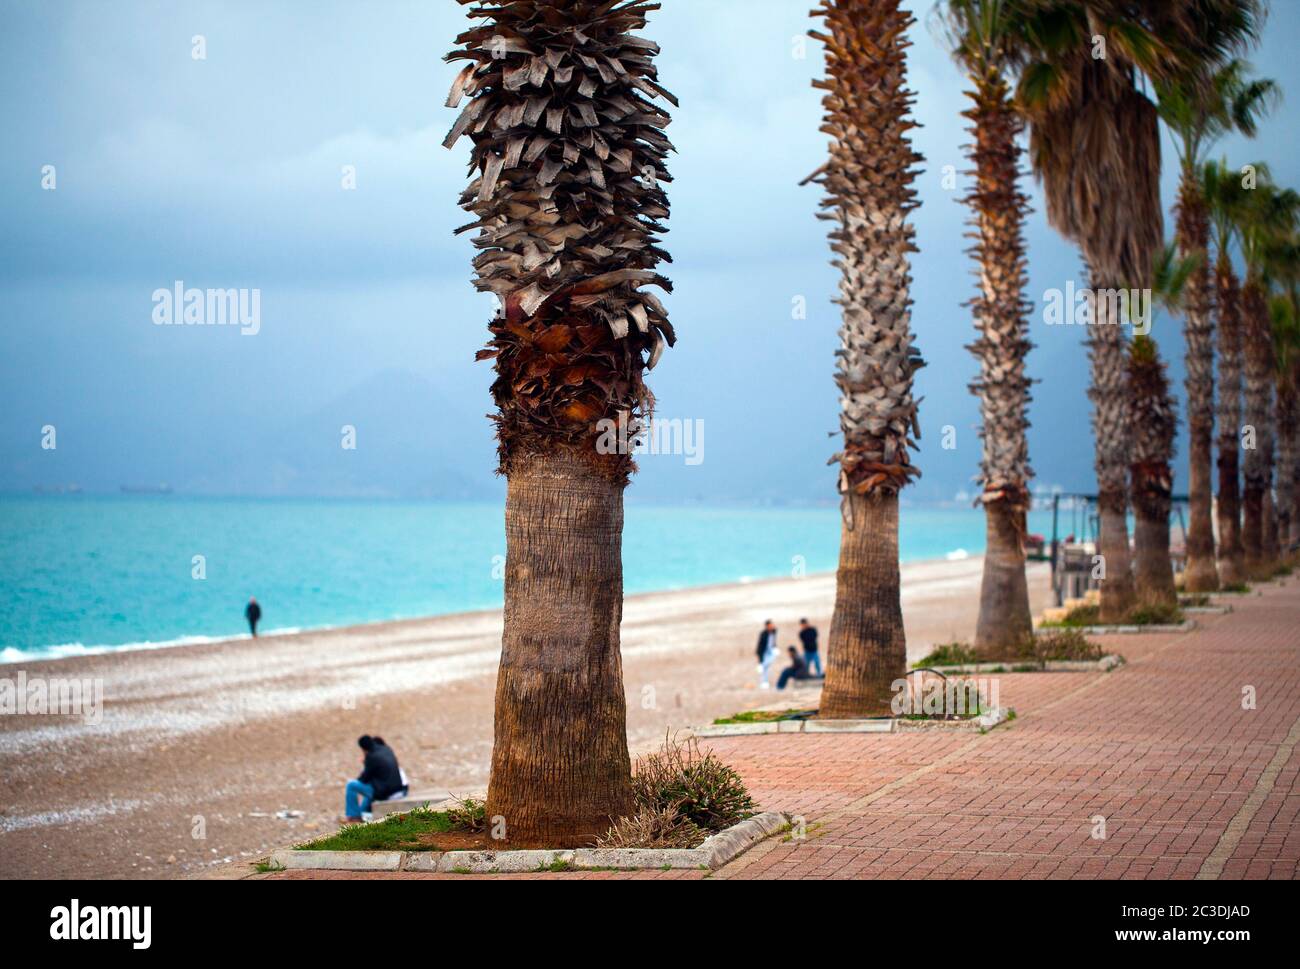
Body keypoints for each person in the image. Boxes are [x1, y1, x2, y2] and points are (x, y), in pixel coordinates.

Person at [342, 734, 408, 823]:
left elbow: (364, 779)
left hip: (386, 793)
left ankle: (354, 816)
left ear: (363, 748)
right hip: (398, 789)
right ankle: (362, 813)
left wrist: (365, 762)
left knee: (351, 785)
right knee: (371, 789)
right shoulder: (386, 749)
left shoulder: (371, 757)